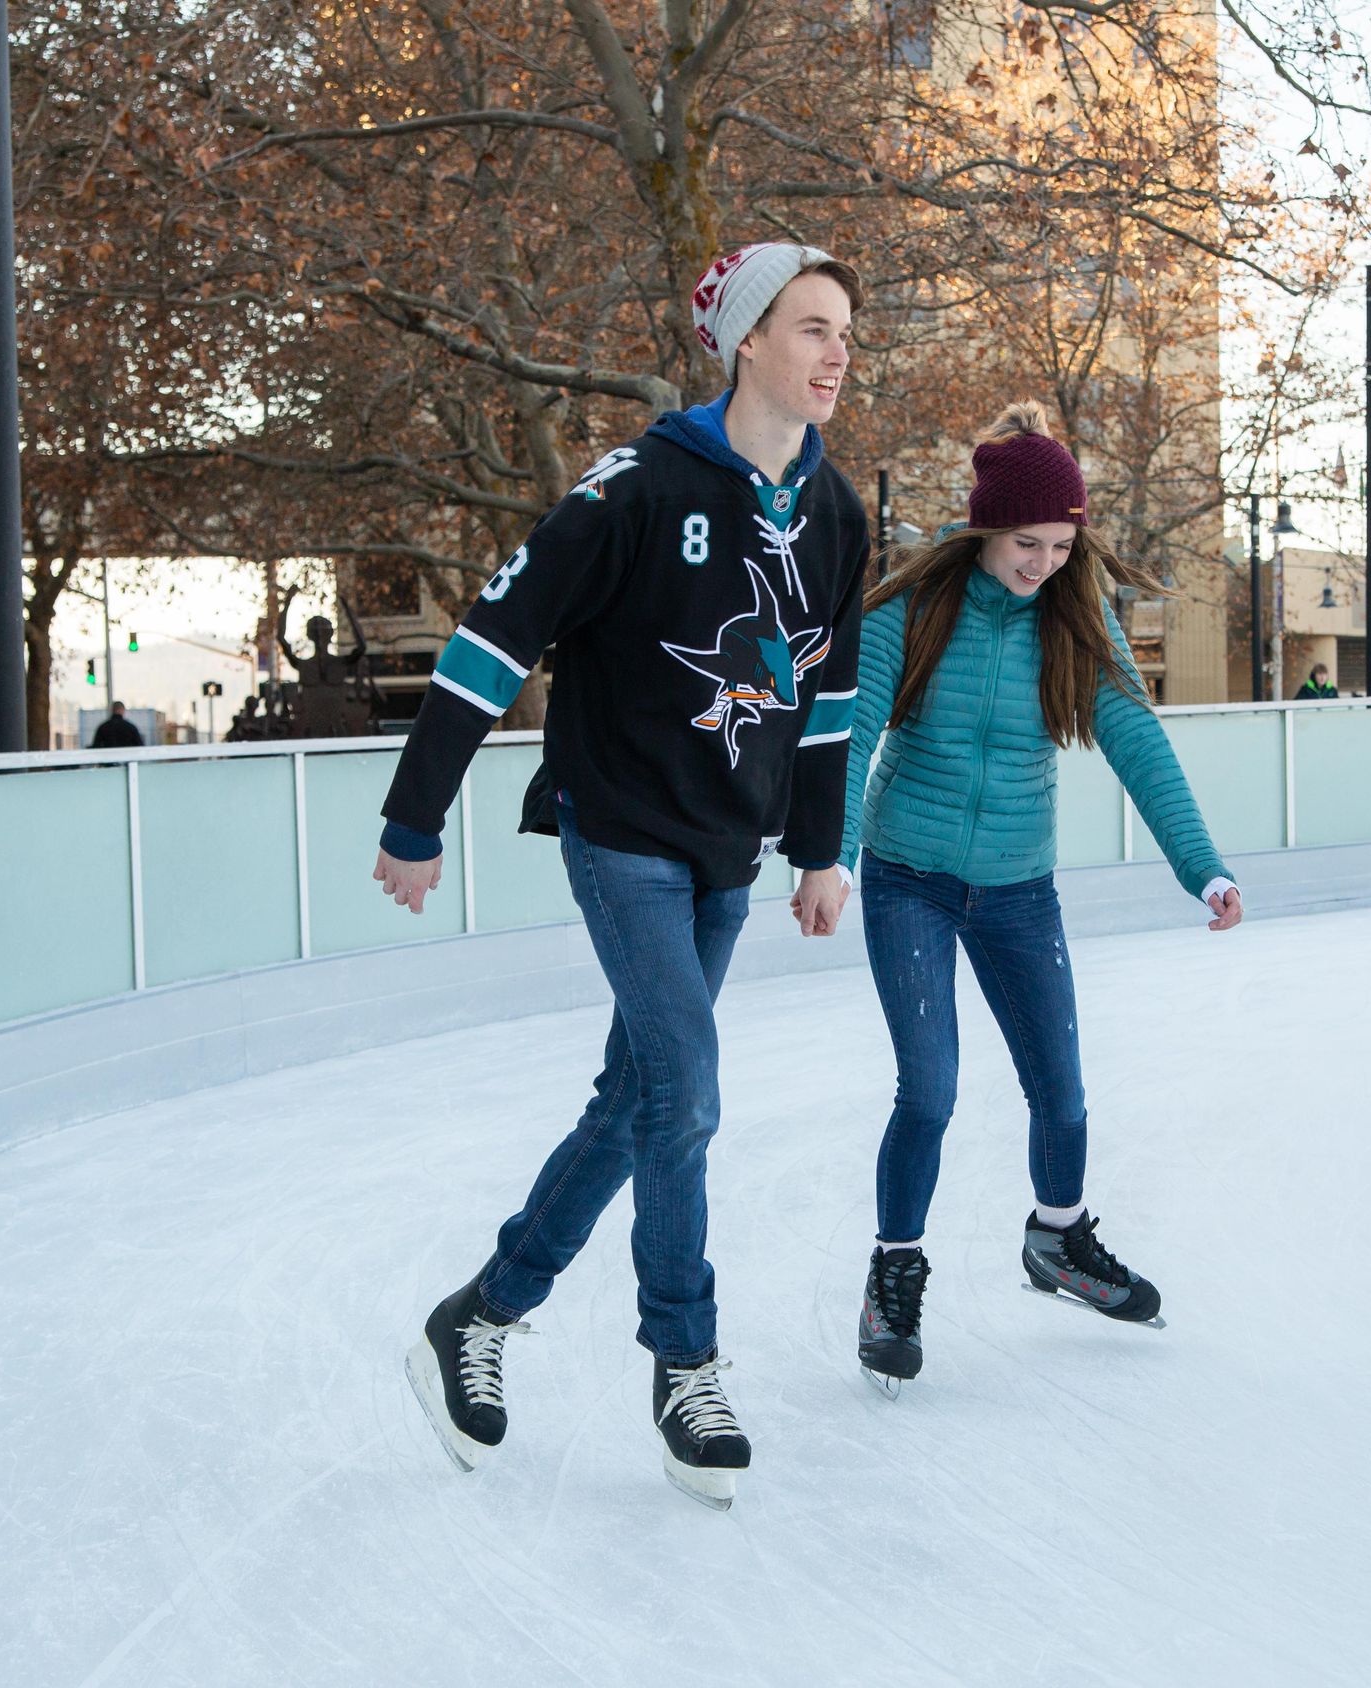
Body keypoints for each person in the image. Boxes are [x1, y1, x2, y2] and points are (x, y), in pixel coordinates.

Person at [375, 243, 871, 1509]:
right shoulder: (635, 488)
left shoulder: (836, 513)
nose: (833, 355)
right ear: (747, 341)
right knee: (686, 1092)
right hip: (621, 829)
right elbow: (493, 639)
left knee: (635, 1094)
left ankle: (480, 1311)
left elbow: (826, 701)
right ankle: (685, 1357)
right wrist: (415, 816)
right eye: (810, 328)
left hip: (729, 845)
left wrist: (822, 848)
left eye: (844, 336)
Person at [838, 402, 1241, 1393]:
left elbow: (1137, 738)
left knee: (1059, 1089)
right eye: (1027, 542)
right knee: (928, 1086)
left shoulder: (1073, 612)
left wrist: (1205, 864)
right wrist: (832, 854)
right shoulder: (913, 605)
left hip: (1019, 887)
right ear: (983, 528)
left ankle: (1057, 1241)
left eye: (1062, 544)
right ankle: (893, 1269)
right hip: (909, 878)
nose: (1043, 562)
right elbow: (847, 730)